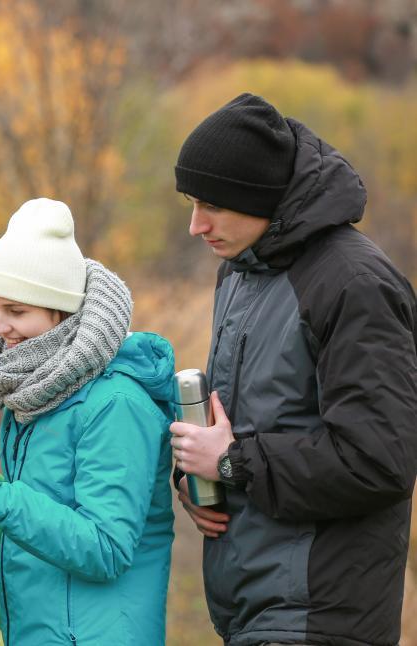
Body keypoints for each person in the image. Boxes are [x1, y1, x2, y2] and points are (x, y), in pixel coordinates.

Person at [171, 93, 417, 645]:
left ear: (260, 197)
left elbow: (379, 461)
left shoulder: (356, 285)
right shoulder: (240, 272)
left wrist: (233, 462)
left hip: (320, 616)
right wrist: (199, 474)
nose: (195, 225)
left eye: (211, 204)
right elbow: (254, 424)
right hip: (252, 608)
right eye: (191, 202)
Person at [0, 198, 175, 645]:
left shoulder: (116, 403)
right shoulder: (39, 390)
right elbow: (46, 521)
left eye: (15, 311)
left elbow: (105, 547)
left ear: (61, 312)